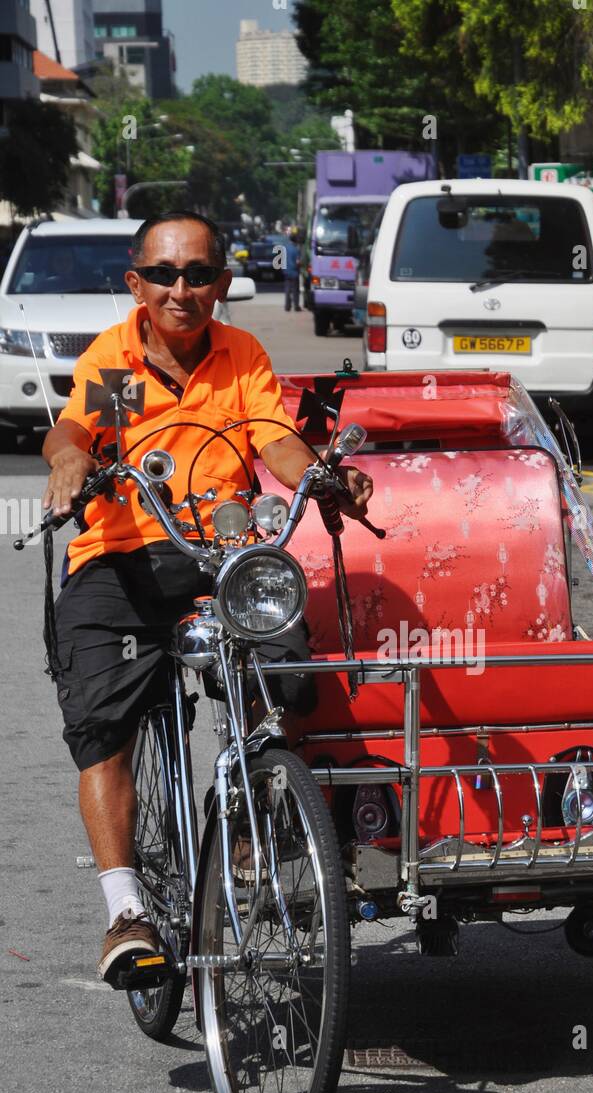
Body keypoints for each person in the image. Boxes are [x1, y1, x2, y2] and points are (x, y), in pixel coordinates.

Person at [41, 210, 373, 988]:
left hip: (220, 556)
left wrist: (319, 476)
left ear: (222, 283)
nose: (180, 289)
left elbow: (274, 438)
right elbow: (77, 432)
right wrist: (66, 463)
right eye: (163, 274)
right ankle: (126, 910)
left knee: (283, 669)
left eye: (197, 274)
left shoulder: (240, 354)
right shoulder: (118, 361)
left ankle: (256, 815)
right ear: (137, 283)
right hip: (122, 558)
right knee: (104, 723)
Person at [283, 232, 301, 311]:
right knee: (295, 290)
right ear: (296, 240)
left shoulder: (285, 248)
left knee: (287, 289)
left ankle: (287, 306)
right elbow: (298, 262)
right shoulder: (296, 249)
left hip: (286, 271)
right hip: (294, 272)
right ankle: (296, 306)